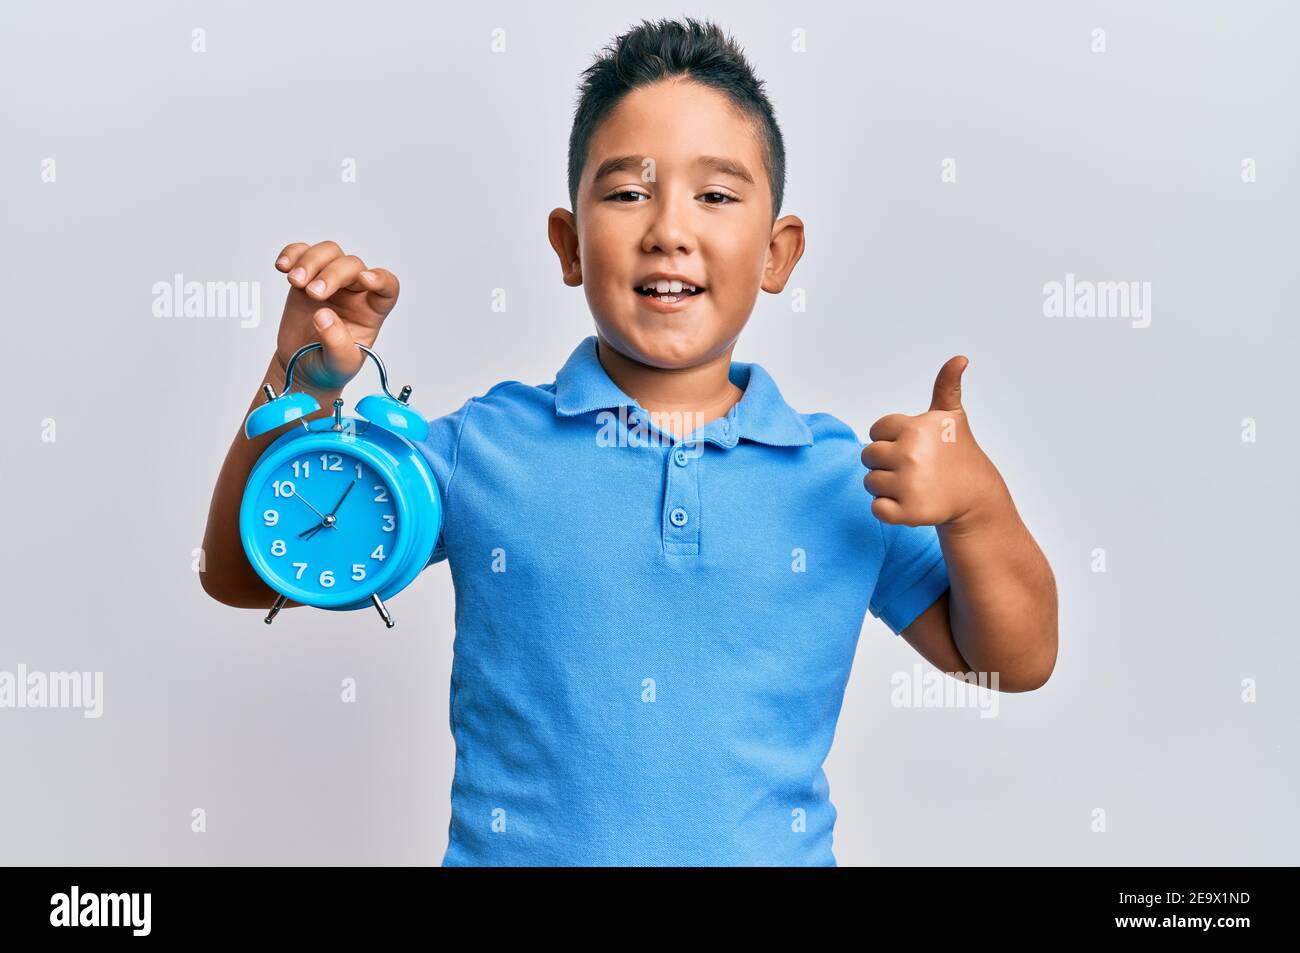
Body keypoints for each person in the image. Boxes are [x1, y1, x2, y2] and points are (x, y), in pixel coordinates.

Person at [199, 17, 1058, 866]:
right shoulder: (482, 451)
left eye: (716, 195)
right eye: (627, 192)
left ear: (777, 251)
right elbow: (242, 575)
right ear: (569, 245)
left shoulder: (843, 477)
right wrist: (302, 376)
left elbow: (1011, 661)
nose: (668, 229)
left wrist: (980, 510)